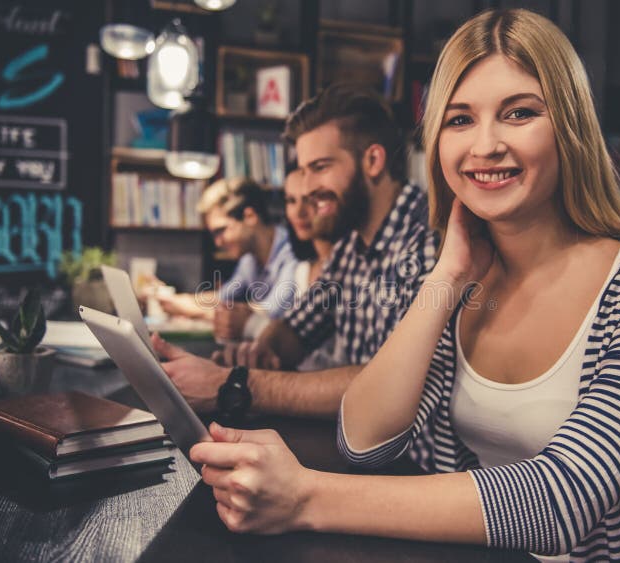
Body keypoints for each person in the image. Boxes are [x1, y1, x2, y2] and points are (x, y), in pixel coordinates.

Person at [184, 9, 620, 562]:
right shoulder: (459, 277)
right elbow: (364, 442)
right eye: (459, 120)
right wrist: (447, 277)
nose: (484, 145)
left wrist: (306, 496)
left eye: (519, 113)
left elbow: (564, 501)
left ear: (570, 127)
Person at [151, 84, 439, 417]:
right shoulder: (351, 246)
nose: (308, 187)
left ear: (373, 160)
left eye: (319, 167)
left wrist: (236, 385)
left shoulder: (426, 240)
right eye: (303, 170)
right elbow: (297, 329)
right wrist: (261, 352)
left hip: (410, 461)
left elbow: (390, 384)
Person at [217, 167, 340, 370]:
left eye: (310, 199)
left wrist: (250, 324)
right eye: (291, 201)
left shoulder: (347, 266)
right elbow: (290, 337)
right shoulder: (302, 270)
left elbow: (272, 313)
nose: (300, 212)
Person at [156, 177, 297, 340]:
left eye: (221, 230)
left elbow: (269, 313)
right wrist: (179, 300)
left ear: (249, 217)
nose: (218, 242)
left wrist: (193, 309)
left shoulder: (293, 253)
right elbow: (223, 297)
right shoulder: (249, 259)